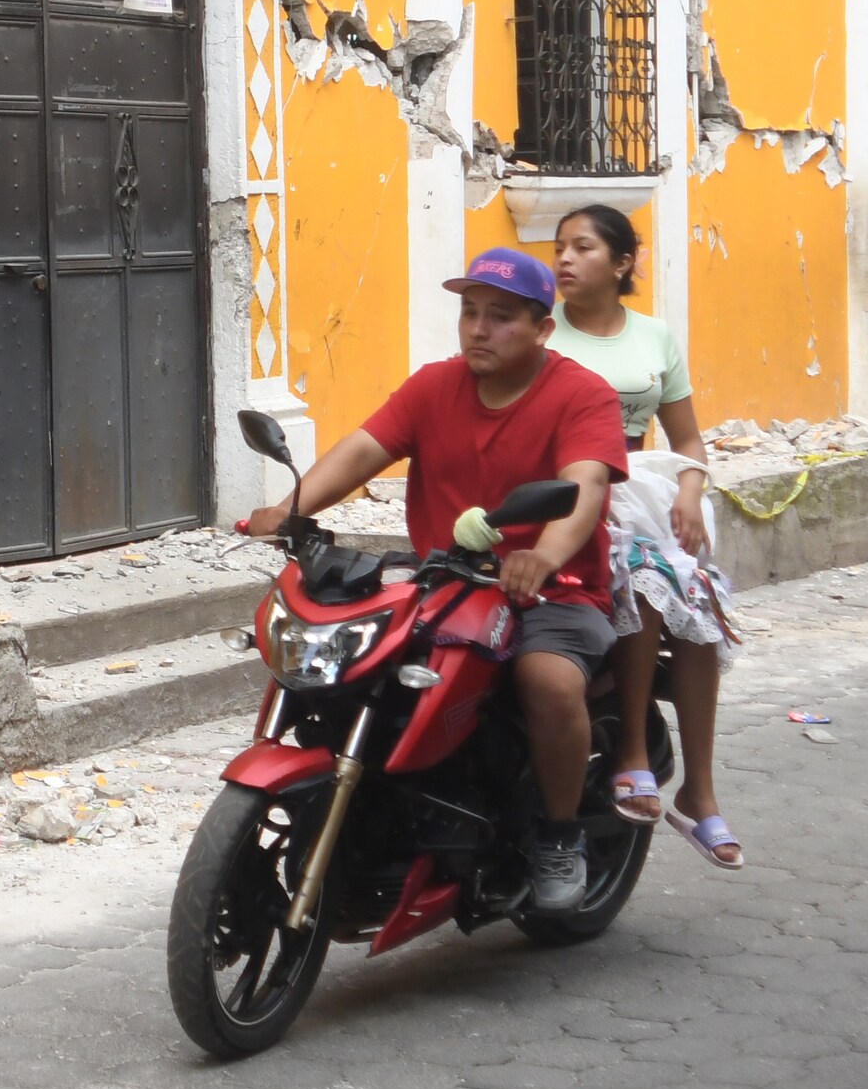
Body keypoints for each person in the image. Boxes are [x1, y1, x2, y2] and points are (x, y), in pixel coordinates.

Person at [247, 247, 627, 913]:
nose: (478, 329)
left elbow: (584, 486)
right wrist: (291, 508)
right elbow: (364, 450)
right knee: (359, 663)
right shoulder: (434, 386)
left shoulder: (580, 394)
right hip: (446, 583)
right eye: (470, 313)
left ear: (542, 328)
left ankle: (559, 835)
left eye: (501, 317)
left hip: (554, 589)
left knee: (548, 678)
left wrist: (542, 554)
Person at [547, 204, 742, 870]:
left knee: (697, 600)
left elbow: (688, 440)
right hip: (571, 489)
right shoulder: (541, 334)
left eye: (583, 247)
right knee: (649, 579)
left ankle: (701, 789)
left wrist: (690, 488)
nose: (565, 259)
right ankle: (631, 749)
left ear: (623, 262)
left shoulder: (655, 336)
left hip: (645, 484)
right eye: (559, 247)